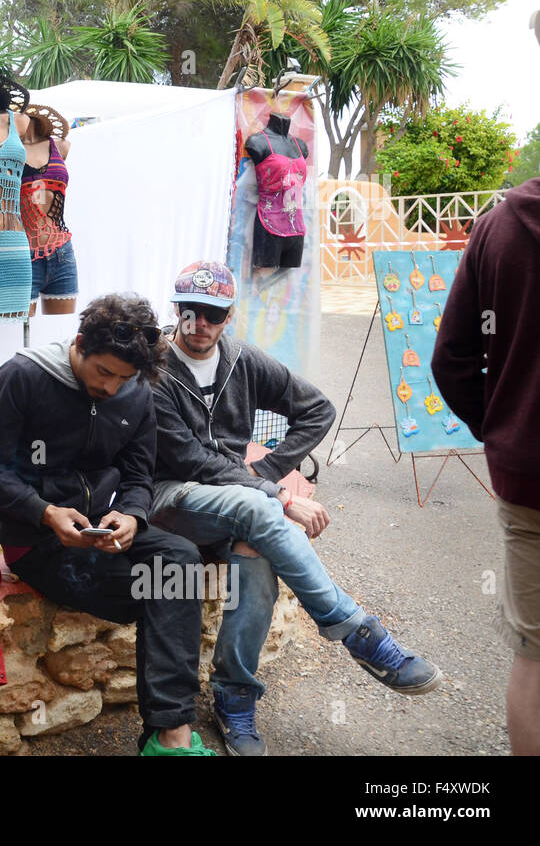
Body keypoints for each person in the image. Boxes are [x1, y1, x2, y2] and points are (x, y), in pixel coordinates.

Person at [148, 260, 442, 756]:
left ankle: (233, 696)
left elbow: (317, 409)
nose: (199, 325)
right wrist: (279, 494)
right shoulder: (155, 370)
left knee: (256, 550)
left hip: (239, 502)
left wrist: (269, 473)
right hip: (172, 498)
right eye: (190, 312)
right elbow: (190, 460)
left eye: (213, 315)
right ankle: (357, 631)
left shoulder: (241, 359)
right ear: (176, 309)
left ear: (230, 315)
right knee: (263, 513)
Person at [0, 293, 215, 756]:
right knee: (165, 591)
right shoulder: (23, 377)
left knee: (180, 561)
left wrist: (132, 516)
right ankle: (170, 738)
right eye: (104, 373)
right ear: (79, 342)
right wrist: (45, 511)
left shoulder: (137, 391)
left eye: (125, 378)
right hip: (38, 544)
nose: (114, 388)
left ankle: (168, 735)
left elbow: (140, 474)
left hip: (103, 538)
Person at [432, 174, 540, 756]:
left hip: (530, 477)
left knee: (536, 653)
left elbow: (451, 358)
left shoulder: (498, 227)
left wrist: (502, 428)